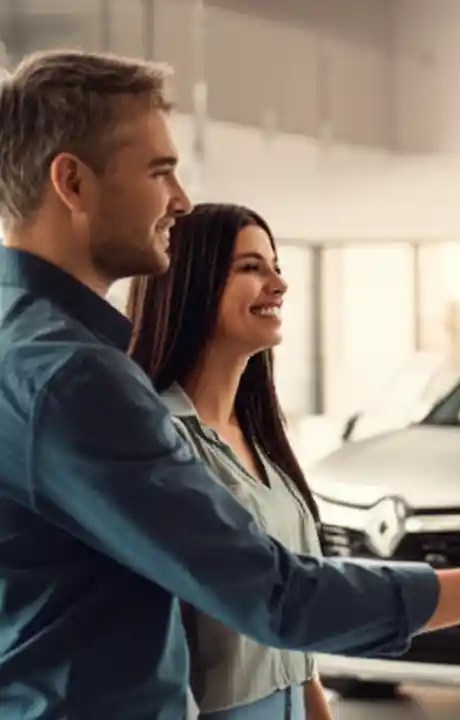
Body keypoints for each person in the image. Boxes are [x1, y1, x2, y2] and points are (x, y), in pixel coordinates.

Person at [0, 50, 460, 720]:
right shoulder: (75, 378)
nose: (179, 200)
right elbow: (279, 599)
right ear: (72, 181)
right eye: (160, 172)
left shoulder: (31, 350)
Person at [125, 203, 333, 719]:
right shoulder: (159, 443)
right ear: (190, 284)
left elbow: (295, 634)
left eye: (275, 265)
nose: (279, 284)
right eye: (250, 267)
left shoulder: (262, 444)